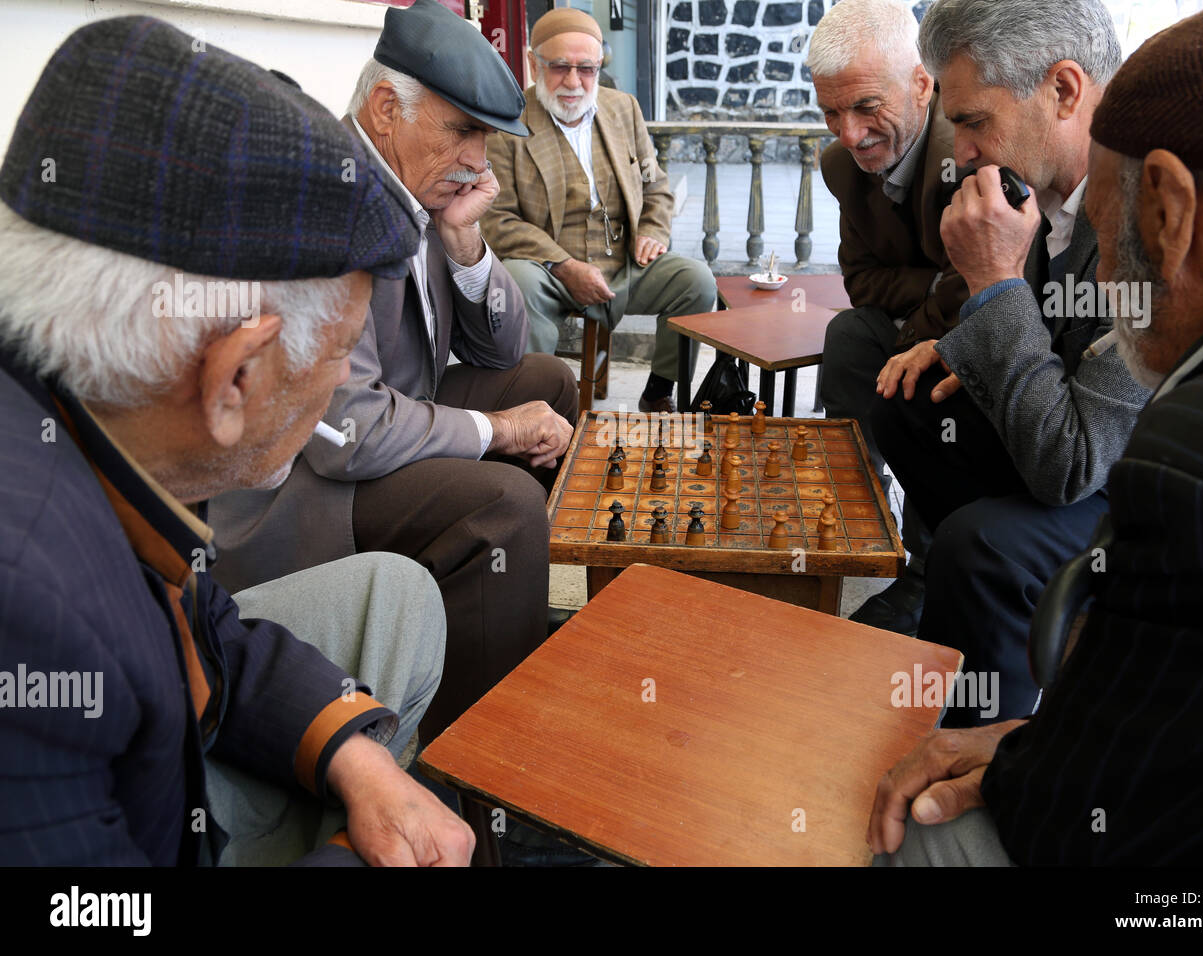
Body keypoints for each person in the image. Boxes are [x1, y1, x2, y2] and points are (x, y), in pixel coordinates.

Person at [0, 16, 471, 866]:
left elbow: (199, 613)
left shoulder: (83, 412)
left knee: (395, 597)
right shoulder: (29, 614)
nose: (342, 386)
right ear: (235, 381)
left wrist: (351, 754)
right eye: (337, 357)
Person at [870, 0, 1203, 865]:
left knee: (916, 829)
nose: (1099, 272)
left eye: (1106, 232)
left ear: (1171, 212)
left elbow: (1088, 805)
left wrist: (1016, 754)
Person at [209, 0, 580, 742]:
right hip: (302, 485)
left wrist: (467, 242)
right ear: (386, 108)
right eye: (463, 130)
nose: (479, 158)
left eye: (486, 136)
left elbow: (501, 352)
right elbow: (346, 430)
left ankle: (479, 621)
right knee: (502, 503)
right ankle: (468, 756)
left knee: (548, 380)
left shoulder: (421, 181)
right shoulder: (326, 198)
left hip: (386, 419)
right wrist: (496, 431)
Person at [869, 0, 1149, 724]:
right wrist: (966, 337)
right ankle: (970, 612)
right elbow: (1054, 345)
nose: (960, 153)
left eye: (971, 121)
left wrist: (994, 285)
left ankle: (983, 740)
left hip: (1146, 489)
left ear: (1063, 90)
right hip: (1076, 445)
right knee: (909, 397)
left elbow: (1073, 463)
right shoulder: (1051, 188)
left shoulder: (1146, 210)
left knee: (983, 544)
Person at [806, 0, 969, 633]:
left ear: (922, 85)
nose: (849, 133)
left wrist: (935, 303)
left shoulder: (971, 150)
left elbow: (978, 287)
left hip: (988, 331)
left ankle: (927, 571)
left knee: (935, 381)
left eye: (867, 106)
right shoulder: (842, 164)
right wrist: (935, 286)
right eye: (830, 113)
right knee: (848, 336)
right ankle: (860, 514)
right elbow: (860, 281)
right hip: (920, 315)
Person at [481, 7, 717, 414]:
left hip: (623, 262)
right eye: (559, 67)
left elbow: (655, 183)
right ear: (535, 65)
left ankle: (660, 388)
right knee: (517, 281)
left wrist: (652, 231)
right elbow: (496, 218)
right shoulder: (508, 123)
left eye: (586, 69)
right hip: (549, 270)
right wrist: (564, 265)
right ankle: (538, 406)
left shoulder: (622, 108)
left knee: (696, 281)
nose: (573, 82)